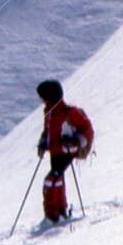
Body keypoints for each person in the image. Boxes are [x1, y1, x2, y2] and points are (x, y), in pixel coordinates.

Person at [36, 79, 94, 223]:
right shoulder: (49, 112)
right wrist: (43, 143)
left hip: (66, 151)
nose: (42, 101)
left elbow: (86, 128)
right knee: (57, 179)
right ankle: (60, 211)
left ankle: (53, 214)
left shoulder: (69, 112)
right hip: (55, 151)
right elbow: (47, 131)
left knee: (52, 179)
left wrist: (76, 143)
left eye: (43, 98)